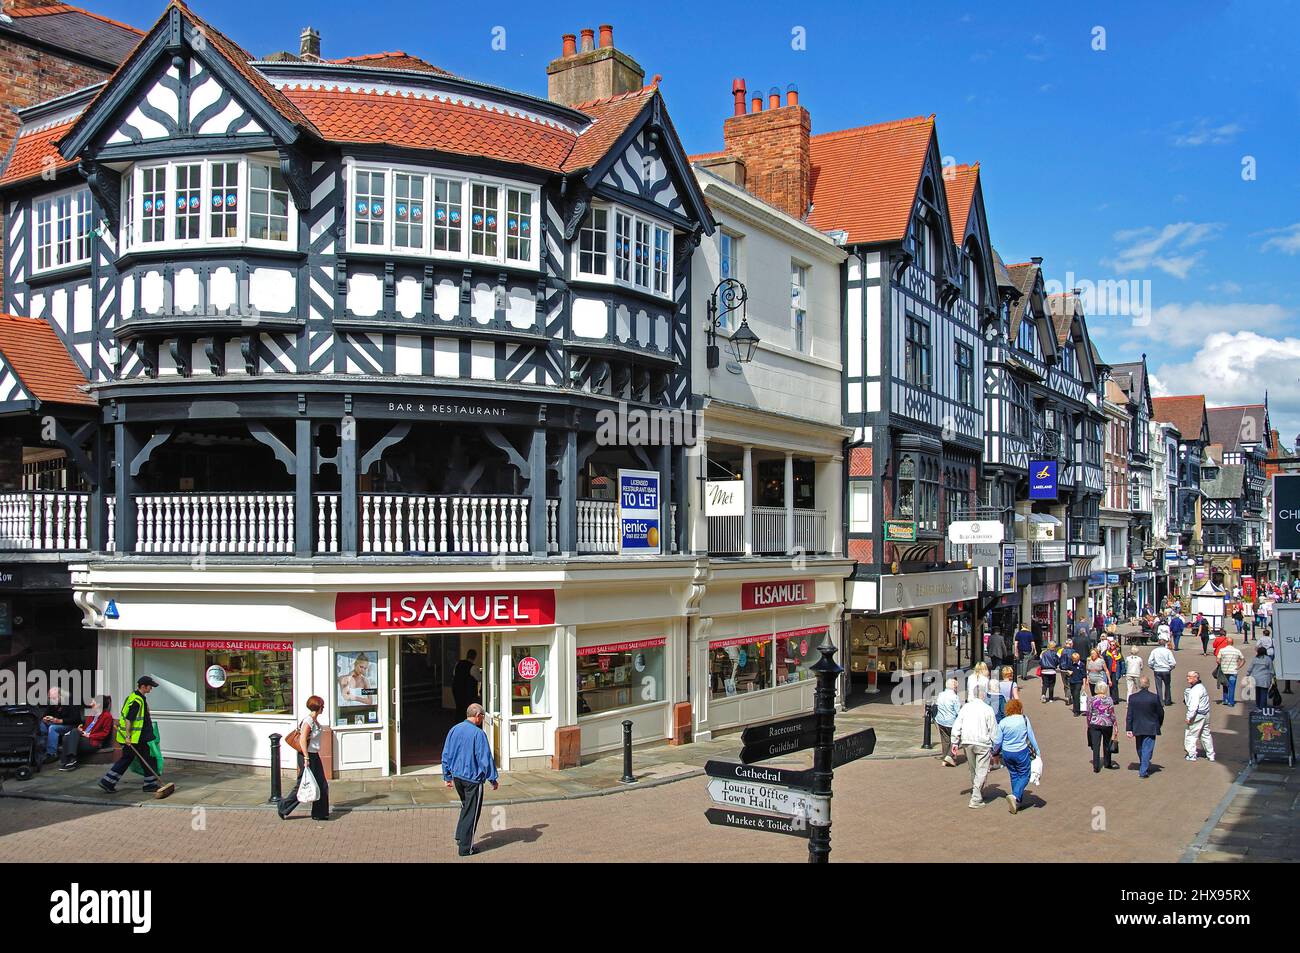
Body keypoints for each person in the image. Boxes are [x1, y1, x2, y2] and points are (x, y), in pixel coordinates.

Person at [442, 702, 499, 856]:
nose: (482, 719)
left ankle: (460, 836)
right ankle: (466, 848)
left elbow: (446, 753)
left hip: (458, 777)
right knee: (472, 812)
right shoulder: (478, 734)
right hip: (473, 779)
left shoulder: (454, 730)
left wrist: (447, 775)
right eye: (482, 716)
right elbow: (484, 758)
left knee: (466, 806)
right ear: (477, 716)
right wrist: (492, 778)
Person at [98, 675, 164, 794]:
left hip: (139, 737)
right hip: (136, 738)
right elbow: (129, 719)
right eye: (150, 686)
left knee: (142, 759)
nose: (151, 689)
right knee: (144, 759)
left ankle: (108, 781)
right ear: (143, 686)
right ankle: (149, 784)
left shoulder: (136, 697)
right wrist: (128, 737)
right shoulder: (137, 701)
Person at [278, 695, 330, 821]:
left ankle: (320, 813)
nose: (323, 708)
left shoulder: (315, 720)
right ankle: (283, 807)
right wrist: (306, 758)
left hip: (314, 755)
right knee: (303, 784)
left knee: (322, 784)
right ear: (318, 707)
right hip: (307, 756)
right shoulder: (308, 721)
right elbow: (302, 740)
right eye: (322, 706)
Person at [951, 683, 998, 809]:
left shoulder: (965, 708)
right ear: (983, 695)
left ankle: (978, 791)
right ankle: (976, 798)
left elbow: (957, 725)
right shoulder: (988, 709)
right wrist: (996, 745)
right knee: (981, 770)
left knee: (973, 769)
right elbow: (993, 730)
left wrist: (955, 741)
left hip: (967, 741)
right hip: (983, 742)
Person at [991, 698, 1039, 814]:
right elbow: (1031, 736)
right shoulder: (1024, 719)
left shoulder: (1003, 722)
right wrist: (1037, 751)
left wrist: (995, 751)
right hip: (1021, 751)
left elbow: (998, 741)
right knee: (1025, 775)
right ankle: (1015, 796)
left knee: (1014, 774)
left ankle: (1017, 801)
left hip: (1007, 753)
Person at [57, 695, 114, 770]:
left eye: (93, 702)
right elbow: (86, 727)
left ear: (99, 704)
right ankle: (67, 761)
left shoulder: (107, 716)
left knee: (73, 733)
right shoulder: (92, 714)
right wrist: (81, 729)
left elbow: (104, 733)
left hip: (94, 741)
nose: (90, 704)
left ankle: (71, 760)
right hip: (85, 738)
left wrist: (90, 735)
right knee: (67, 736)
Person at [1125, 675, 1164, 778]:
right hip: (1150, 726)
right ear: (1148, 685)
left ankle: (1144, 765)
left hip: (1137, 726)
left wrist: (1129, 728)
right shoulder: (1154, 697)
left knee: (1140, 748)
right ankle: (1144, 767)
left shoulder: (1133, 698)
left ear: (1139, 685)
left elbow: (1129, 714)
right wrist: (1159, 723)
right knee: (1146, 749)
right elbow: (1160, 713)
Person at [38, 686, 80, 764]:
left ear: (61, 696)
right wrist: (45, 718)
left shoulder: (71, 702)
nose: (52, 700)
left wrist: (59, 721)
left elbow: (76, 719)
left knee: (52, 728)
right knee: (42, 724)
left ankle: (52, 753)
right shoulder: (53, 703)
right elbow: (45, 715)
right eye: (50, 698)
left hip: (70, 726)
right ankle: (42, 749)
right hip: (57, 723)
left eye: (54, 698)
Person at [1085, 683, 1118, 772]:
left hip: (1095, 723)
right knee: (1107, 743)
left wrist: (1088, 724)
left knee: (1096, 745)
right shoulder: (1109, 699)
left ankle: (1096, 766)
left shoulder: (1091, 699)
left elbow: (1089, 713)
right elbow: (1112, 714)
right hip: (1107, 724)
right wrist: (1115, 726)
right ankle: (1107, 763)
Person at [1183, 671, 1215, 762]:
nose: (1187, 678)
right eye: (1187, 676)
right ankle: (1211, 755)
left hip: (1197, 715)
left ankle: (1191, 755)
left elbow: (1193, 706)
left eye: (1190, 676)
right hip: (1206, 714)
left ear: (1196, 678)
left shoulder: (1195, 690)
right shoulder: (1202, 687)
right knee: (1206, 735)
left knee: (1191, 735)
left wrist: (1189, 717)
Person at [933, 678, 963, 766]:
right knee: (956, 739)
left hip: (940, 721)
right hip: (951, 722)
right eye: (956, 687)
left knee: (945, 740)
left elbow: (937, 705)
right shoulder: (955, 697)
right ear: (954, 687)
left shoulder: (941, 694)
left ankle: (945, 758)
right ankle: (950, 756)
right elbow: (958, 712)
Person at [1217, 637, 1245, 707]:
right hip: (1233, 671)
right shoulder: (1237, 651)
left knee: (1225, 685)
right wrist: (1239, 667)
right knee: (1232, 687)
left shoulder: (1222, 650)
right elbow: (1243, 660)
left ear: (1226, 643)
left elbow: (1217, 660)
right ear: (1232, 643)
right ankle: (1231, 702)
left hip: (1224, 671)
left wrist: (1221, 664)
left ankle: (1225, 700)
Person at [452, 649, 482, 715]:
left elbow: (454, 674)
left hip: (457, 689)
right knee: (467, 709)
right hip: (468, 692)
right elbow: (480, 678)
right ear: (474, 657)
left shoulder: (458, 663)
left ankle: (458, 721)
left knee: (459, 707)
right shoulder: (473, 667)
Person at [1148, 640, 1177, 706]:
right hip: (1166, 670)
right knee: (1167, 686)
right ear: (1165, 644)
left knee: (1158, 687)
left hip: (1157, 670)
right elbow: (1173, 662)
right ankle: (1167, 701)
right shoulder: (1168, 651)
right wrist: (1171, 668)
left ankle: (1160, 701)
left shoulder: (1154, 651)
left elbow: (1150, 661)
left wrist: (1152, 667)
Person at [1065, 651, 1086, 716]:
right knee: (1074, 696)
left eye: (1075, 660)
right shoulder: (1071, 664)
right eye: (1073, 659)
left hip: (1078, 682)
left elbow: (1084, 675)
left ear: (1078, 659)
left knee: (1076, 695)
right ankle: (1076, 708)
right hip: (1072, 681)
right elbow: (1067, 671)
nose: (1074, 661)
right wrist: (1068, 672)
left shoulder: (1081, 665)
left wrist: (1084, 684)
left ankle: (1077, 711)